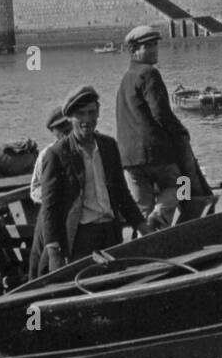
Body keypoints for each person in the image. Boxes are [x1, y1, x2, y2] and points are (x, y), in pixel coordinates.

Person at [39, 85, 145, 273]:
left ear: (98, 113)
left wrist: (142, 225)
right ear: (70, 118)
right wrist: (53, 251)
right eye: (80, 114)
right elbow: (50, 208)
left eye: (91, 112)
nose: (87, 120)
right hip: (81, 236)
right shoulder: (56, 155)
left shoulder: (109, 146)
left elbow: (122, 194)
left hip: (111, 232)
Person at [116, 25, 195, 230]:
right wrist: (180, 131)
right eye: (146, 46)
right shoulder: (149, 73)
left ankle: (146, 240)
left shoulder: (126, 78)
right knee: (180, 184)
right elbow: (161, 114)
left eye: (154, 45)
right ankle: (160, 217)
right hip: (154, 153)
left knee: (142, 207)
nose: (153, 50)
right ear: (134, 51)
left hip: (129, 159)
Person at [26, 105, 72, 279]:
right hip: (50, 210)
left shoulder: (79, 150)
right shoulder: (47, 154)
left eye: (68, 128)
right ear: (53, 132)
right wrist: (51, 197)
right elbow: (34, 188)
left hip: (72, 211)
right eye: (61, 130)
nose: (66, 134)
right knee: (40, 257)